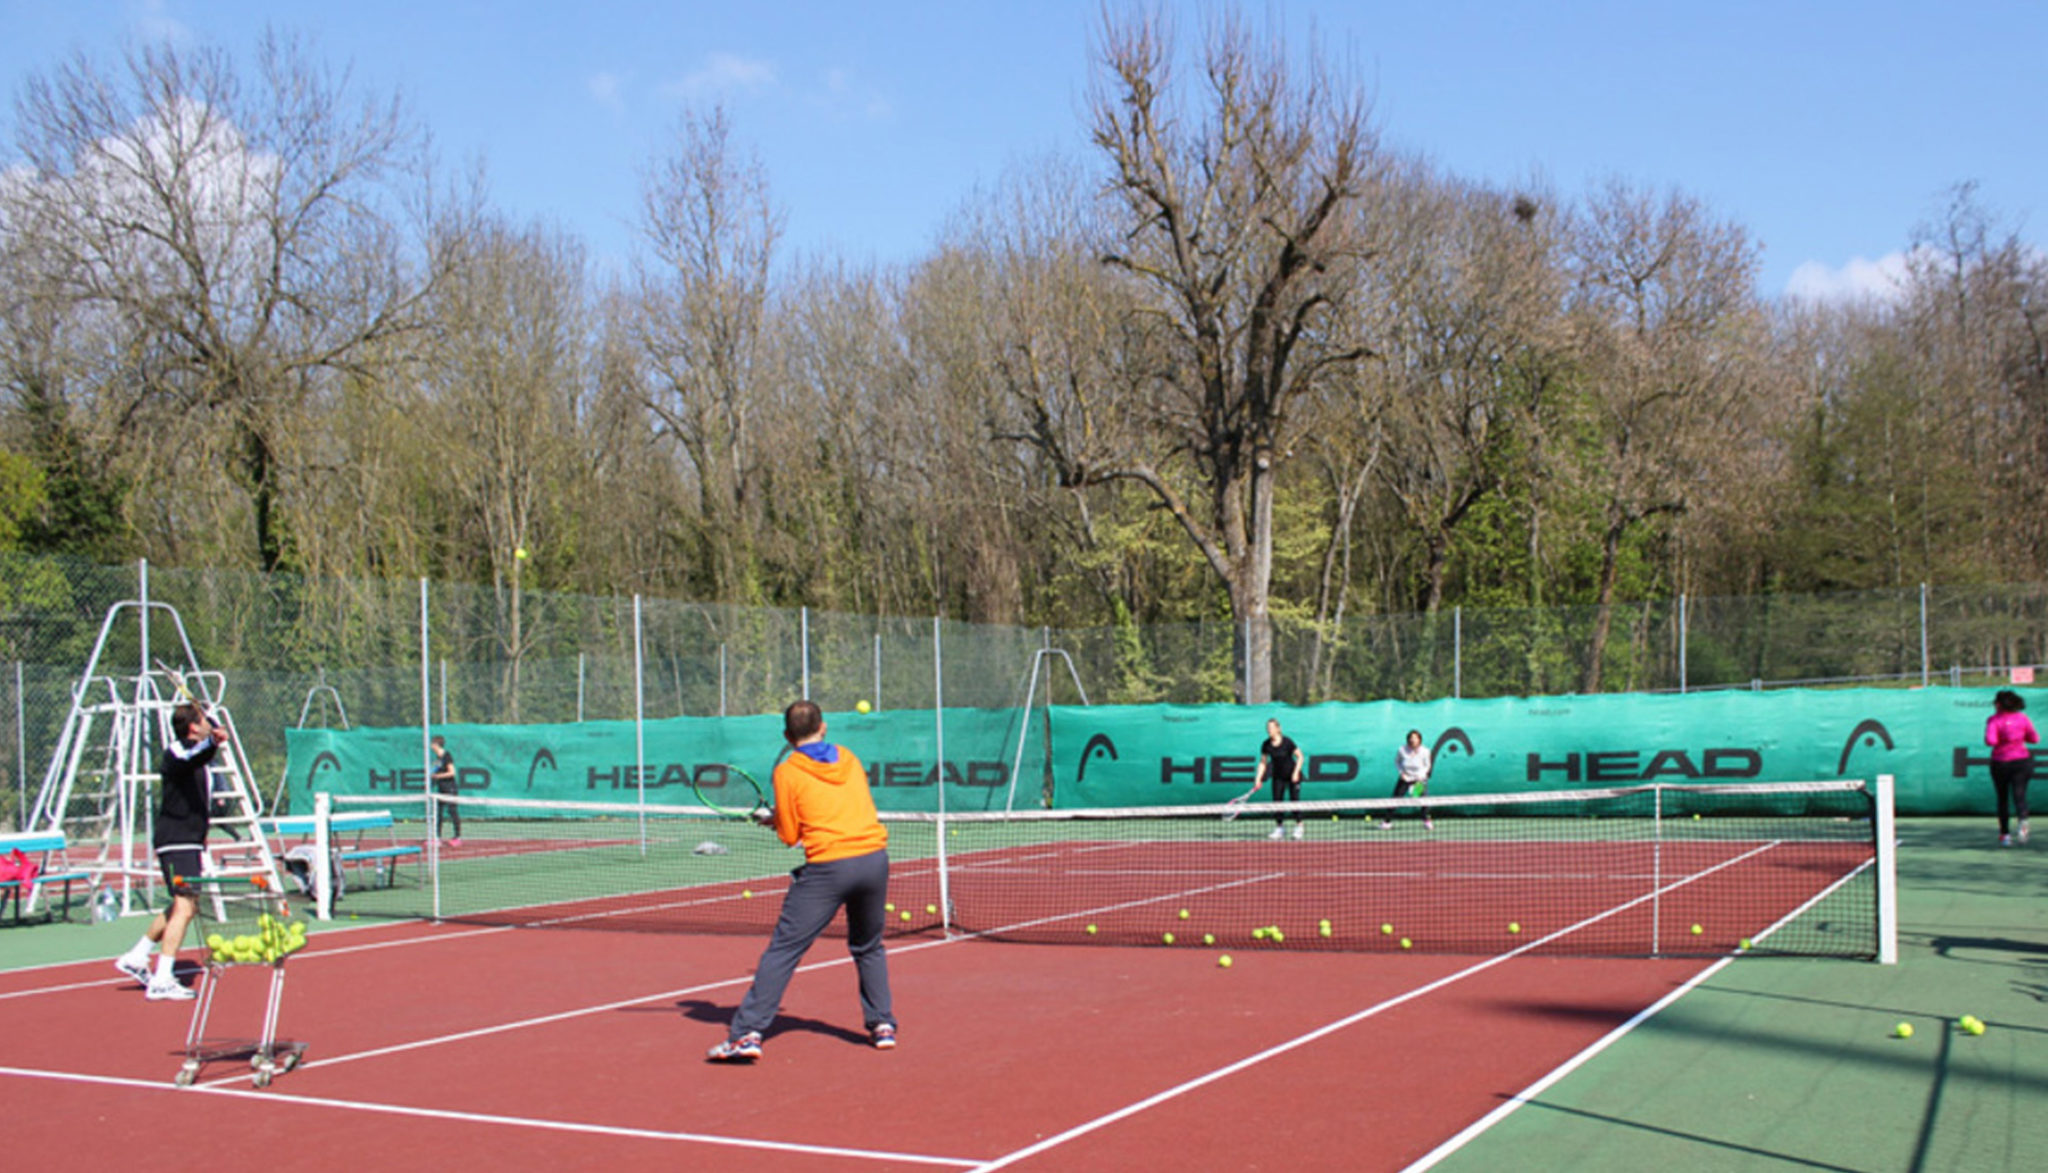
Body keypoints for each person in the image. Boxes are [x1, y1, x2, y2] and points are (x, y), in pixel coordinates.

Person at [708, 700, 897, 1062]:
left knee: (783, 950)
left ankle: (747, 1034)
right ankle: (882, 1024)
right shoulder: (849, 758)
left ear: (786, 735)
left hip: (829, 866)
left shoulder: (787, 771)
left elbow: (790, 835)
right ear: (823, 727)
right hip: (874, 860)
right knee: (869, 946)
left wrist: (776, 821)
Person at [113, 703, 230, 1000]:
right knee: (186, 906)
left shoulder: (199, 754)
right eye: (203, 720)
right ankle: (162, 979)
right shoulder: (177, 752)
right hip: (175, 839)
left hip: (189, 840)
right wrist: (211, 740)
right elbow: (197, 753)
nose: (208, 723)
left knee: (183, 904)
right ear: (193, 728)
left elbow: (206, 753)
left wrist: (211, 732)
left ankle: (137, 956)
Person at [1985, 690, 2037, 846]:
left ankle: (2005, 835)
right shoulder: (2023, 718)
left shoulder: (1994, 720)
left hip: (2001, 763)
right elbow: (2034, 738)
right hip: (2022, 762)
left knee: (2002, 799)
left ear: (1999, 704)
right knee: (2019, 796)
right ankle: (2023, 822)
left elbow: (1990, 741)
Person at [1250, 718, 1307, 840]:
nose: (1269, 730)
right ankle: (1280, 828)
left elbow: (1300, 757)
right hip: (1278, 776)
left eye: (1271, 728)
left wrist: (1296, 773)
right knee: (1277, 802)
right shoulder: (1266, 745)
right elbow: (1263, 763)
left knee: (1294, 801)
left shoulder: (1287, 742)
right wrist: (1258, 778)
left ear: (1278, 729)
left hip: (1292, 775)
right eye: (1267, 728)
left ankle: (1299, 826)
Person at [1383, 729, 1434, 831]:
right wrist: (1401, 773)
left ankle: (1426, 821)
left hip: (1419, 780)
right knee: (1395, 800)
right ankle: (1387, 822)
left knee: (1423, 801)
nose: (1412, 740)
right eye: (1410, 738)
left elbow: (1427, 765)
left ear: (1419, 740)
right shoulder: (1402, 750)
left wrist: (1421, 776)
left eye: (1415, 738)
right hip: (1405, 778)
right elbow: (1397, 762)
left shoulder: (1425, 751)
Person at [431, 735, 462, 847]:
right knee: (438, 812)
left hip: (450, 788)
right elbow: (433, 772)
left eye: (432, 744)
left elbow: (452, 772)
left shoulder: (447, 756)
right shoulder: (437, 759)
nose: (431, 746)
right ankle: (437, 838)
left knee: (452, 812)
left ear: (436, 745)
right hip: (441, 789)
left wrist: (438, 776)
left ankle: (457, 837)